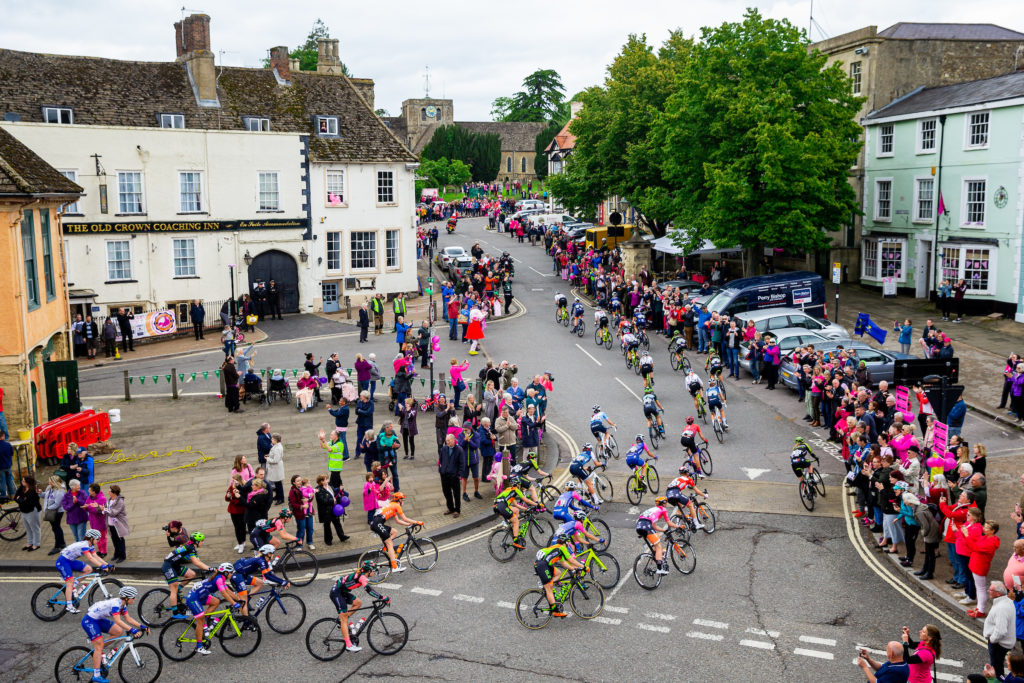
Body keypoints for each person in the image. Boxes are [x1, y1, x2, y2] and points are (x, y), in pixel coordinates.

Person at [81, 586, 145, 683]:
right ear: (126, 598)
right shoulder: (116, 604)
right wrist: (132, 630)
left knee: (118, 631)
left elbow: (128, 619)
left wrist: (142, 626)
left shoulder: (122, 604)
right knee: (99, 646)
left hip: (98, 619)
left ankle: (99, 649)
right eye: (133, 597)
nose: (134, 599)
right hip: (89, 621)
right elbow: (118, 620)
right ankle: (96, 675)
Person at [185, 563, 243, 656]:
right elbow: (223, 593)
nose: (232, 574)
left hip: (201, 595)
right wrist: (234, 603)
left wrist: (238, 599)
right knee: (200, 621)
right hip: (194, 598)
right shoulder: (219, 579)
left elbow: (228, 591)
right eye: (231, 572)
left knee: (216, 601)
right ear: (226, 572)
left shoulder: (221, 578)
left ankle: (205, 622)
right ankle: (199, 647)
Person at [329, 560, 383, 653]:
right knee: (344, 619)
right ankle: (349, 645)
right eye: (374, 570)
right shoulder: (362, 577)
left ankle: (341, 621)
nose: (375, 572)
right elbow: (369, 590)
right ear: (369, 571)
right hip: (336, 593)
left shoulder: (362, 574)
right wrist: (382, 597)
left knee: (358, 603)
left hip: (341, 592)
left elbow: (369, 588)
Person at [56, 529, 108, 614]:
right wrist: (102, 566)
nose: (98, 540)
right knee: (69, 582)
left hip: (70, 560)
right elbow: (90, 558)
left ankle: (74, 586)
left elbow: (95, 556)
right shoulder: (84, 545)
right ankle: (69, 606)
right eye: (97, 539)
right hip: (62, 561)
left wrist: (107, 565)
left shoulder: (90, 545)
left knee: (89, 569)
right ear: (91, 538)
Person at [369, 492, 423, 572]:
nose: (403, 502)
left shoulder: (392, 505)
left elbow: (398, 521)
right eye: (403, 500)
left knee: (394, 532)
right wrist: (417, 522)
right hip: (377, 524)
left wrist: (409, 524)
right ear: (399, 500)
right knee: (390, 543)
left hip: (376, 523)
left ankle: (386, 546)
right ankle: (395, 567)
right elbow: (404, 518)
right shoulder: (397, 506)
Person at [230, 544, 288, 617]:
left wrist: (281, 581)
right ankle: (246, 620)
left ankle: (247, 599)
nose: (273, 555)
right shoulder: (260, 560)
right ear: (268, 554)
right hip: (237, 576)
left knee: (259, 583)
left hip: (242, 574)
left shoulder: (264, 560)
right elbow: (267, 576)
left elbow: (269, 574)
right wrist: (282, 582)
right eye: (272, 553)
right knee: (244, 602)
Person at [160, 532, 210, 617]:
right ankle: (175, 613)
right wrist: (210, 569)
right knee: (174, 588)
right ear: (197, 542)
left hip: (175, 565)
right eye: (202, 541)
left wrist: (209, 568)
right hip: (168, 566)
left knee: (191, 574)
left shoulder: (192, 547)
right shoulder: (190, 547)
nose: (203, 542)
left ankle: (178, 590)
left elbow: (198, 561)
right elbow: (196, 563)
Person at [534, 537, 585, 618]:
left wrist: (574, 569)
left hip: (544, 564)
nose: (569, 545)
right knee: (549, 587)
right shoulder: (562, 548)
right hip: (542, 565)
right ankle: (556, 612)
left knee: (558, 573)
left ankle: (546, 584)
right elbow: (571, 560)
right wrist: (584, 567)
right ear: (566, 543)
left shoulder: (558, 549)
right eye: (568, 543)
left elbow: (564, 563)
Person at [635, 497, 684, 575]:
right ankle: (659, 568)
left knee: (656, 541)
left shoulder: (653, 509)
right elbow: (669, 523)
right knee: (658, 546)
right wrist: (678, 526)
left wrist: (664, 530)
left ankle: (652, 563)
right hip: (646, 526)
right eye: (666, 502)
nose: (666, 504)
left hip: (639, 526)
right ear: (663, 503)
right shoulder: (663, 509)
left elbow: (654, 526)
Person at [984, 582, 1017, 678]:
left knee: (996, 670)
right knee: (998, 666)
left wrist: (992, 640)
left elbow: (1001, 630)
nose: (988, 591)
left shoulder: (1001, 608)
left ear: (998, 593)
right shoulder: (1006, 601)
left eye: (991, 590)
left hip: (999, 644)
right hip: (1002, 642)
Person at [493, 479, 539, 548]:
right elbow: (526, 500)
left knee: (516, 510)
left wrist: (526, 509)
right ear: (518, 485)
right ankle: (515, 541)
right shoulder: (516, 490)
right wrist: (537, 504)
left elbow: (516, 505)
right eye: (519, 485)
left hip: (497, 506)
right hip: (502, 506)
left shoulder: (510, 490)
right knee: (516, 521)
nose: (520, 486)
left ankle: (514, 528)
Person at [438, 433, 464, 517]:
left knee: (456, 493)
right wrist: (441, 470)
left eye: (449, 440)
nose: (447, 442)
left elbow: (462, 463)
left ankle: (457, 510)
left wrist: (458, 474)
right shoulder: (444, 449)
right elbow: (440, 460)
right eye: (446, 440)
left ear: (453, 440)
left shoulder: (459, 450)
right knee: (446, 492)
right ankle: (450, 508)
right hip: (444, 475)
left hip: (454, 476)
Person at [103, 484, 129, 563]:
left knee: (120, 540)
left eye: (109, 491)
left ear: (114, 492)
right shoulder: (109, 500)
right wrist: (99, 507)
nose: (108, 492)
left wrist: (105, 509)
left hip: (118, 525)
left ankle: (122, 556)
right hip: (110, 524)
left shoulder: (120, 501)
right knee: (114, 540)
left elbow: (114, 513)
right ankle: (117, 554)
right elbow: (105, 509)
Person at [15, 475, 41, 551]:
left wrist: (20, 499)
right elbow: (16, 497)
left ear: (28, 482)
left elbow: (28, 502)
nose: (22, 482)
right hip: (23, 511)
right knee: (27, 528)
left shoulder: (33, 490)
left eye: (23, 481)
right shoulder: (21, 487)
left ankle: (36, 544)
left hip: (32, 511)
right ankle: (30, 543)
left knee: (35, 528)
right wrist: (21, 500)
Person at [43, 475, 66, 555]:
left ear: (55, 482)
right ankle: (62, 544)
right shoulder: (50, 488)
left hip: (56, 512)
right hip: (50, 510)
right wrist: (40, 493)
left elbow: (57, 504)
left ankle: (57, 546)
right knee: (56, 528)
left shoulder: (60, 491)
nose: (49, 483)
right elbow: (46, 496)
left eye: (51, 482)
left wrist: (47, 509)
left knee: (56, 528)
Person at [265, 434, 285, 504]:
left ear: (276, 440)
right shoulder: (277, 446)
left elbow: (275, 460)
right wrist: (269, 456)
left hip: (276, 467)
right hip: (276, 467)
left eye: (272, 439)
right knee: (277, 483)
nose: (271, 440)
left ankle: (281, 498)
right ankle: (278, 496)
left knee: (278, 484)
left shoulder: (277, 448)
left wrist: (267, 458)